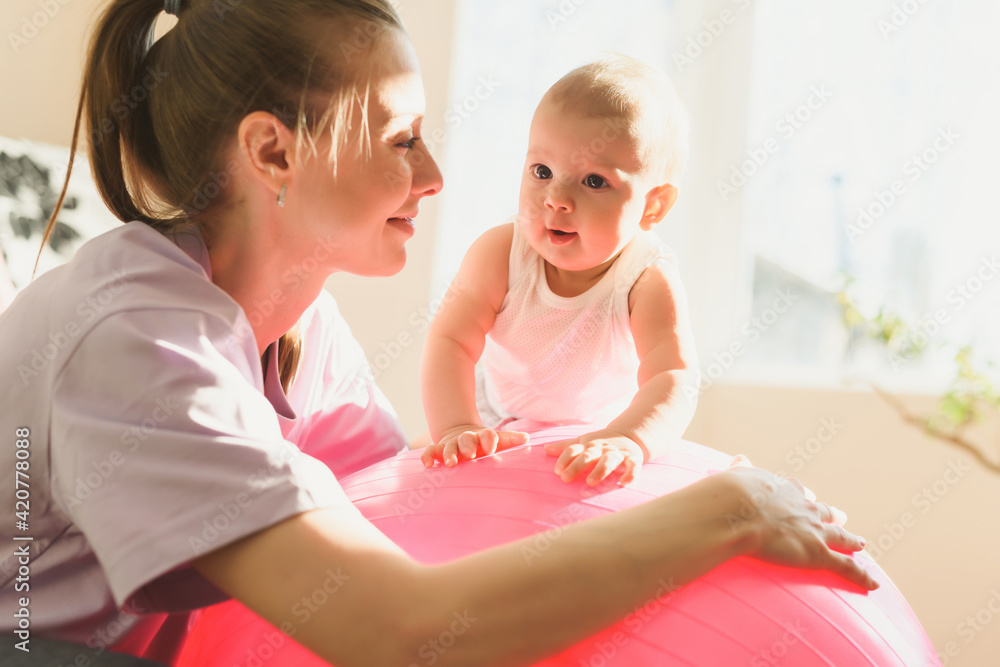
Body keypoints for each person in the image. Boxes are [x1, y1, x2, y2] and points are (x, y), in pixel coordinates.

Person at [0, 0, 878, 665]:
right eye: (402, 138)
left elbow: (412, 528)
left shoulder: (305, 335)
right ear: (274, 153)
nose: (436, 176)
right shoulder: (137, 343)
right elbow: (402, 628)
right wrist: (725, 512)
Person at [419, 56, 701, 486]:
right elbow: (451, 340)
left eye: (593, 181)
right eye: (542, 171)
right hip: (497, 413)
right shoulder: (501, 253)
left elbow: (673, 375)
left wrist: (628, 439)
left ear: (653, 205)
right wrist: (458, 426)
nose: (555, 198)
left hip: (603, 428)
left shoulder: (646, 278)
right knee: (424, 454)